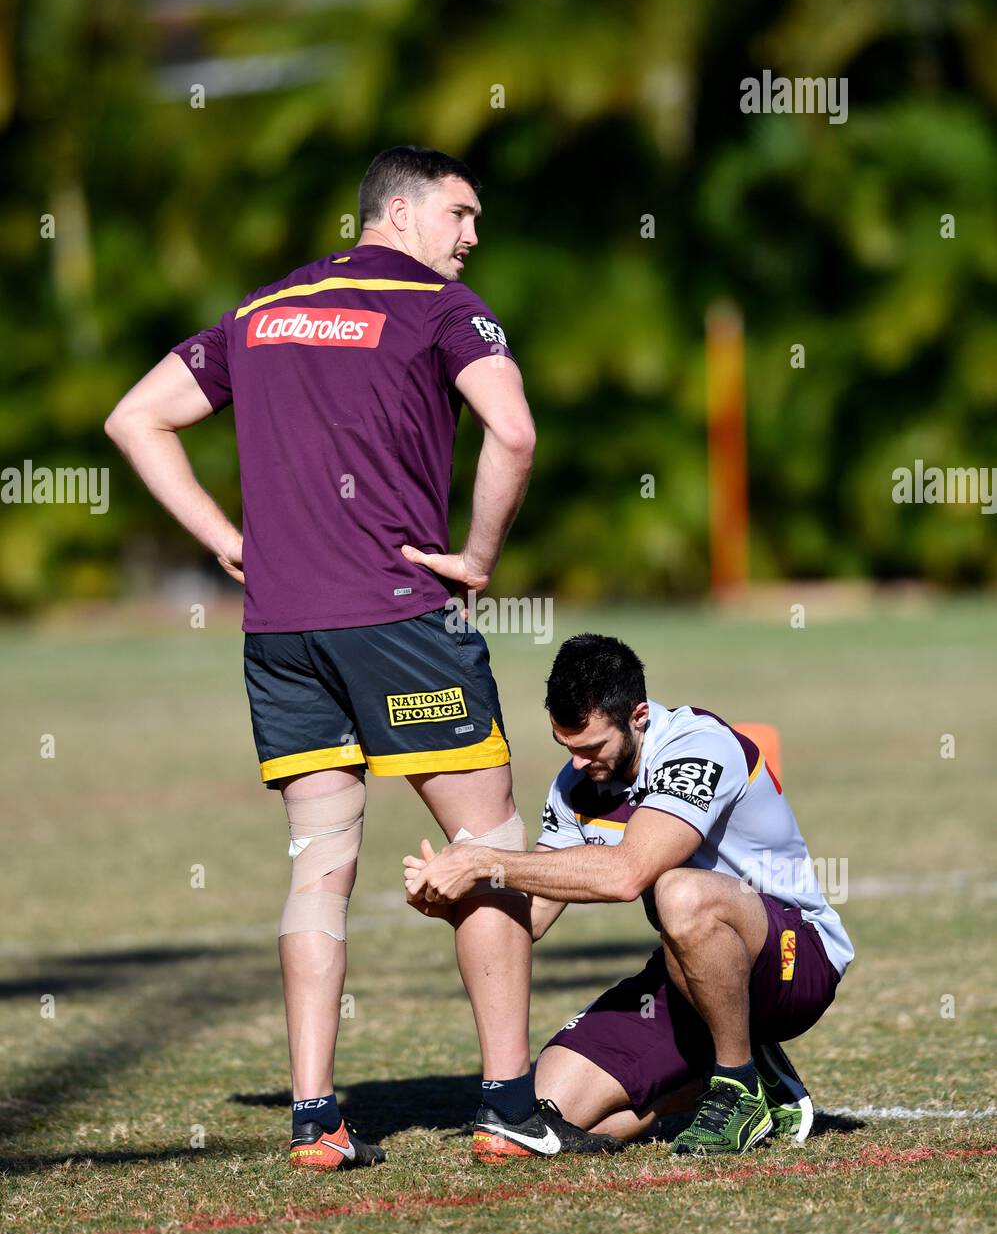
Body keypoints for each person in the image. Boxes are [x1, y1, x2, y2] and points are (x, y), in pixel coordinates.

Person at [106, 144, 561, 1170]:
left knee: (320, 866)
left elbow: (133, 419)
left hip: (280, 630)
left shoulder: (261, 310)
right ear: (398, 214)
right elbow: (515, 433)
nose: (473, 237)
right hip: (400, 616)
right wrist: (480, 556)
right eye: (461, 213)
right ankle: (505, 1104)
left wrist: (222, 538)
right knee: (488, 844)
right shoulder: (446, 309)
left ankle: (315, 1117)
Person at [405, 633, 854, 1158]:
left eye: (591, 746)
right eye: (566, 746)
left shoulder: (699, 747)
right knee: (542, 1114)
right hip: (689, 971)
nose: (576, 762)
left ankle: (738, 1085)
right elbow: (534, 919)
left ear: (638, 715)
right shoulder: (575, 784)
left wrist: (485, 861)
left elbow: (628, 875)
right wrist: (458, 905)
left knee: (679, 892)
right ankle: (728, 1083)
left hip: (794, 960)